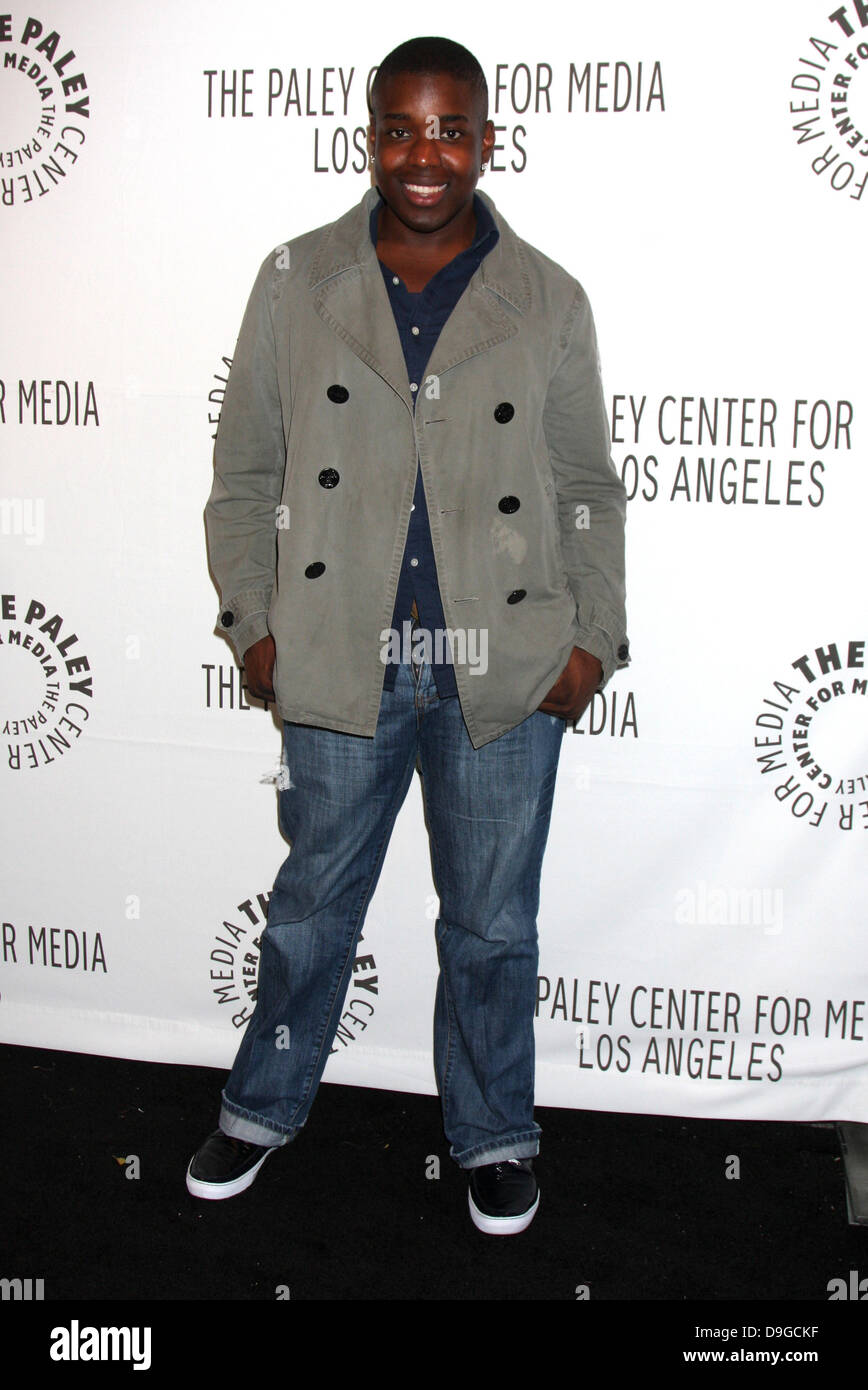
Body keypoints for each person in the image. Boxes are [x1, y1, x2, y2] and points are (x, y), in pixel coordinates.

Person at [188, 35, 629, 1235]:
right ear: (368, 136)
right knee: (311, 906)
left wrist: (590, 636)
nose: (423, 155)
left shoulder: (548, 297)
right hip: (344, 655)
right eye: (400, 129)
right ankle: (261, 1106)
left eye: (449, 130)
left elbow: (587, 482)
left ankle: (492, 1133)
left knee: (491, 922)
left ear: (487, 139)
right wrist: (254, 623)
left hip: (502, 665)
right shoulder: (296, 278)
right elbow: (245, 475)